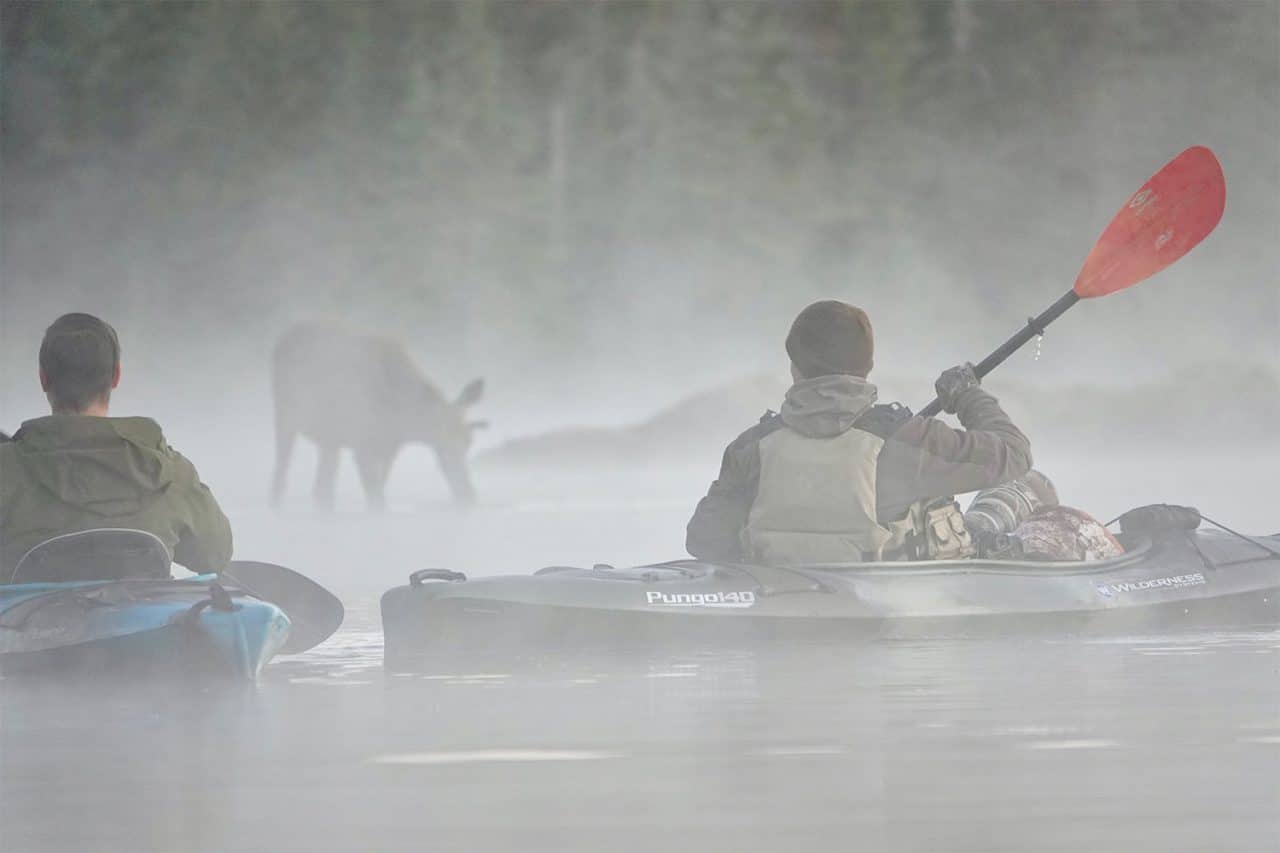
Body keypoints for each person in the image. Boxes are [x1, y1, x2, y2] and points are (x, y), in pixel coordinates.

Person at [686, 300, 1036, 565]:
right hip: (897, 590)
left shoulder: (751, 448)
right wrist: (967, 395)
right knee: (1029, 487)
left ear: (794, 366)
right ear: (868, 367)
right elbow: (1015, 455)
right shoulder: (908, 440)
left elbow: (705, 540)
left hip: (782, 591)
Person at [0, 313, 232, 577]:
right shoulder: (168, 470)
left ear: (43, 379)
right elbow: (216, 556)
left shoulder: (6, 470)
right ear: (116, 376)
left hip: (33, 619)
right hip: (147, 619)